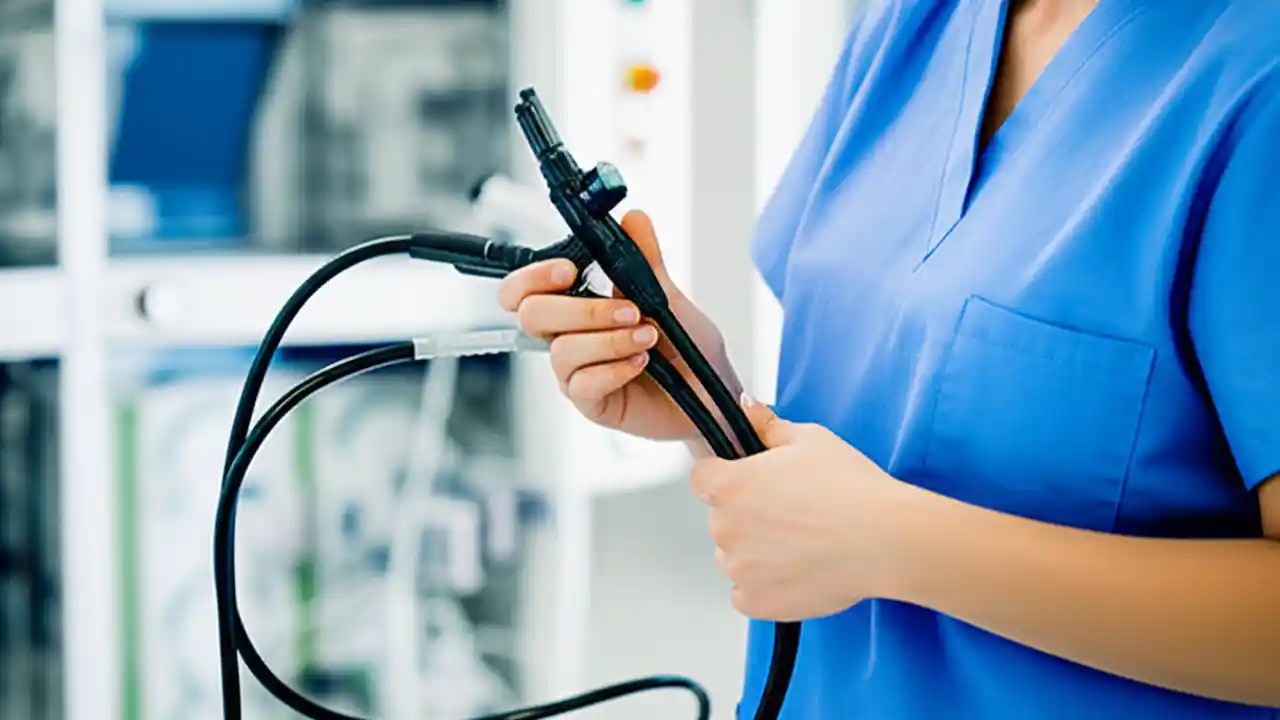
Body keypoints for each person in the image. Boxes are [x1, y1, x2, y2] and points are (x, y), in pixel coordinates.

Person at [498, 0, 1280, 717]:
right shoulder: (916, 26)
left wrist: (904, 548)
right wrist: (707, 400)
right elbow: (876, 428)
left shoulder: (1254, 77)